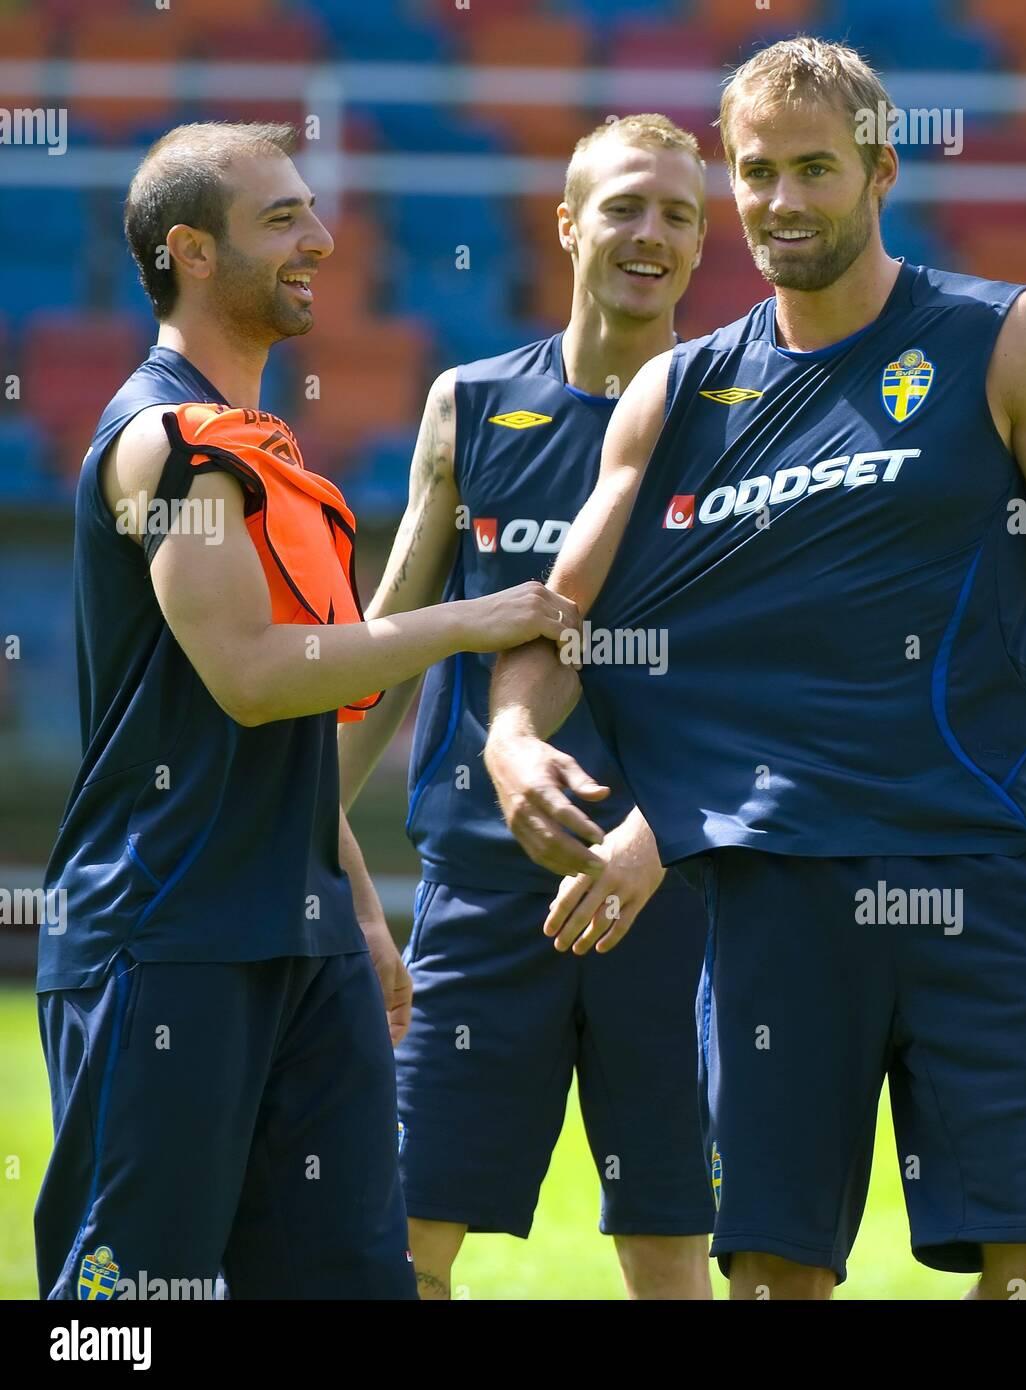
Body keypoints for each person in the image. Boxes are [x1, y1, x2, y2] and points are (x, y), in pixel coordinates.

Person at [482, 40, 1026, 1301]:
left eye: (814, 168)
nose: (780, 201)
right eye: (755, 172)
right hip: (772, 892)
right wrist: (511, 736)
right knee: (769, 1274)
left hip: (979, 864)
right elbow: (558, 613)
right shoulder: (677, 394)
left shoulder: (1000, 335)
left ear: (880, 170)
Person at [35, 122, 576, 1301]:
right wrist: (465, 623)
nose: (321, 240)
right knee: (129, 1301)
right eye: (280, 218)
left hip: (304, 939)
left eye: (311, 212)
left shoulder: (264, 453)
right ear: (187, 251)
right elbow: (254, 674)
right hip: (167, 934)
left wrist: (359, 909)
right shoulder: (164, 445)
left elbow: (286, 730)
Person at [340, 115, 716, 1301]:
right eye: (623, 206)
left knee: (668, 1252)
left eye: (677, 213)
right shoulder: (468, 404)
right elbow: (391, 637)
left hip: (676, 886)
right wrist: (308, 816)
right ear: (567, 224)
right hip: (483, 887)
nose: (648, 233)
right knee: (398, 1243)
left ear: (705, 244)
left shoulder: (748, 421)